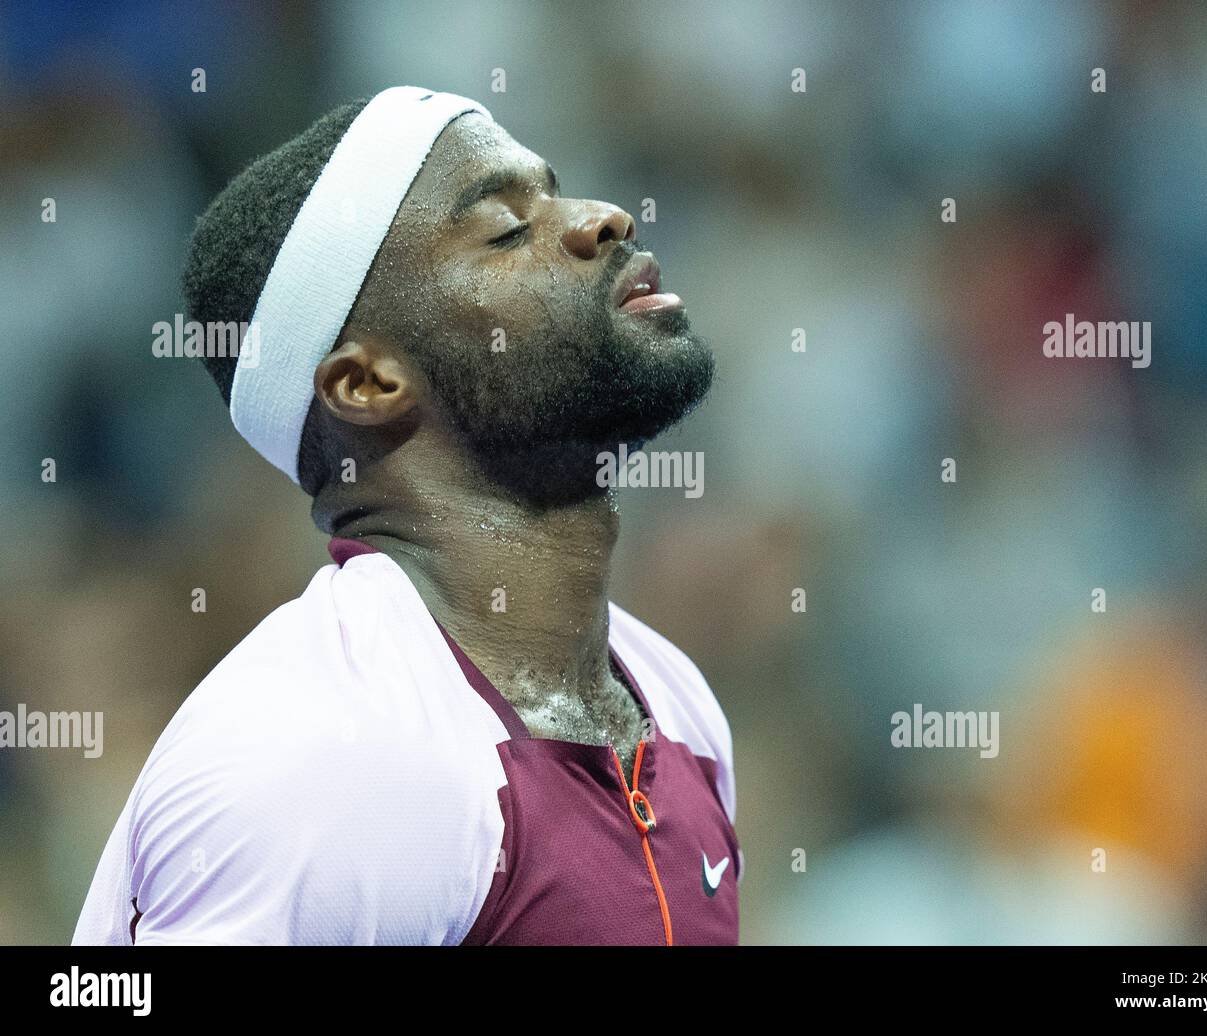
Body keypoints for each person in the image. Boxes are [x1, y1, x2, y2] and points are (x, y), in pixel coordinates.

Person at [72, 87, 737, 945]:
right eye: (505, 228)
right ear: (367, 383)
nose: (604, 220)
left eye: (557, 190)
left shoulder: (678, 707)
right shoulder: (317, 758)